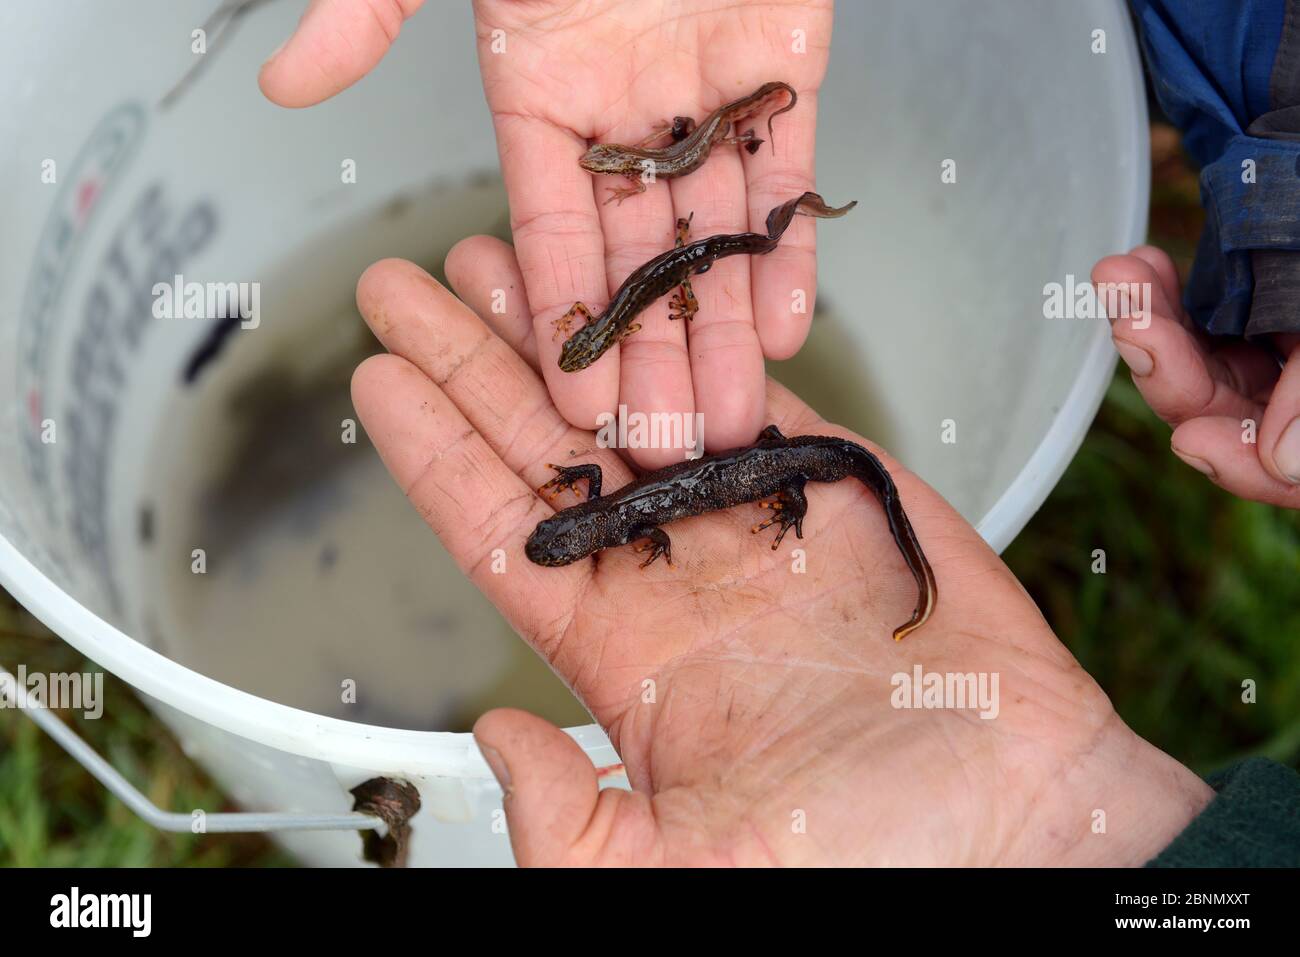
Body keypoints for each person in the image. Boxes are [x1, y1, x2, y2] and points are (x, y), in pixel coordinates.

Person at [261, 0, 1300, 865]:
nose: (563, 538)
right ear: (574, 539)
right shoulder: (607, 520)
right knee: (772, 464)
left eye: (564, 539)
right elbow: (619, 500)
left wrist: (734, 506)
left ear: (585, 539)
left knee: (805, 469)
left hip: (772, 463)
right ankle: (798, 497)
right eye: (559, 545)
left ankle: (805, 500)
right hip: (756, 460)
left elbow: (633, 509)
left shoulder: (611, 522)